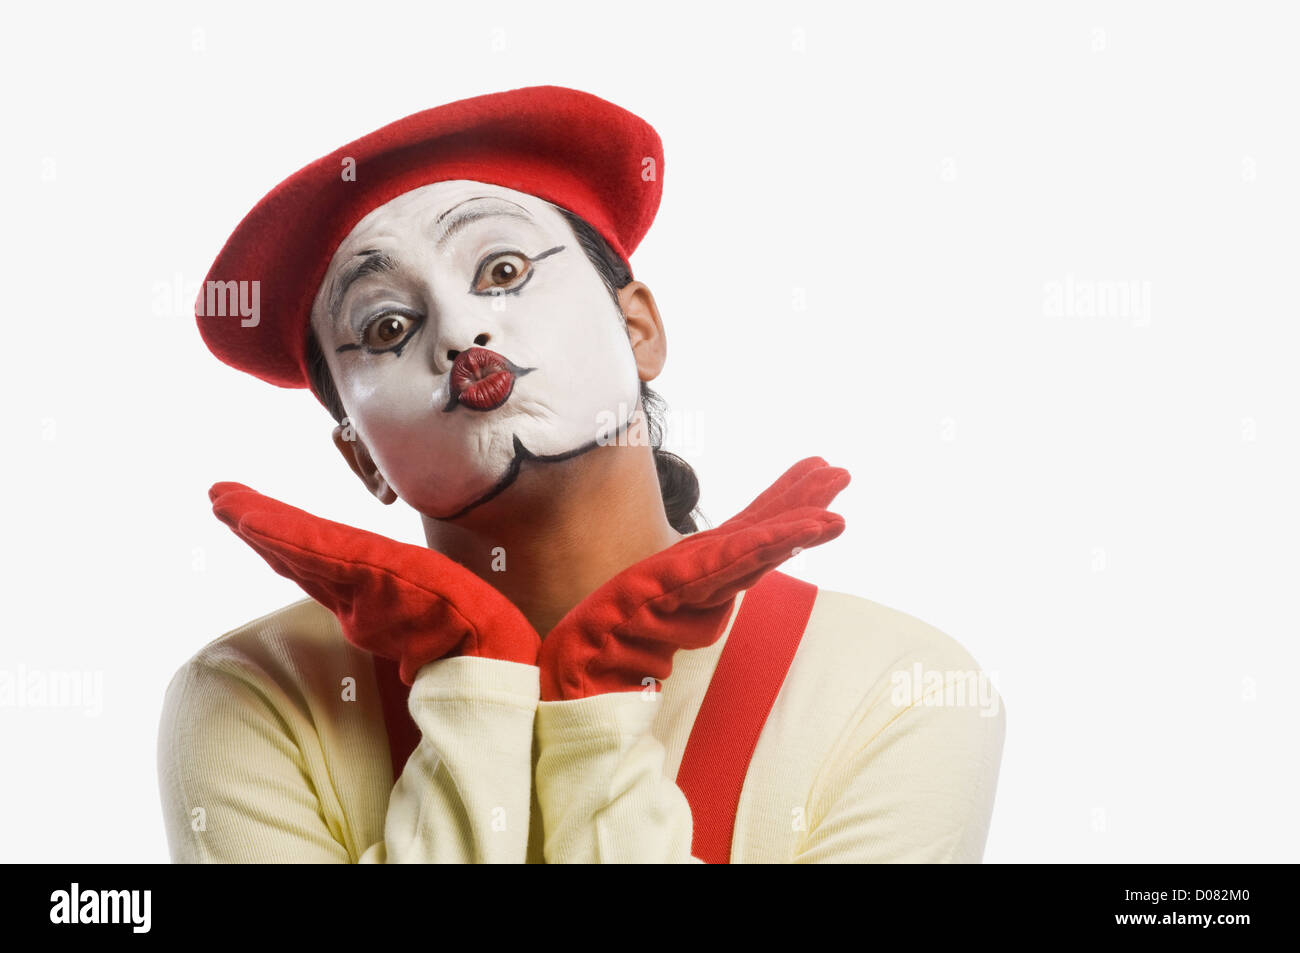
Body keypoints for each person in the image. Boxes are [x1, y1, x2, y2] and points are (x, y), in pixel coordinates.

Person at [157, 84, 1006, 863]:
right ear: (359, 454)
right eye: (385, 326)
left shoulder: (896, 688)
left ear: (638, 329)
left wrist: (595, 697)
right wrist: (477, 671)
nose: (457, 332)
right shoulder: (255, 697)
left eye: (502, 272)